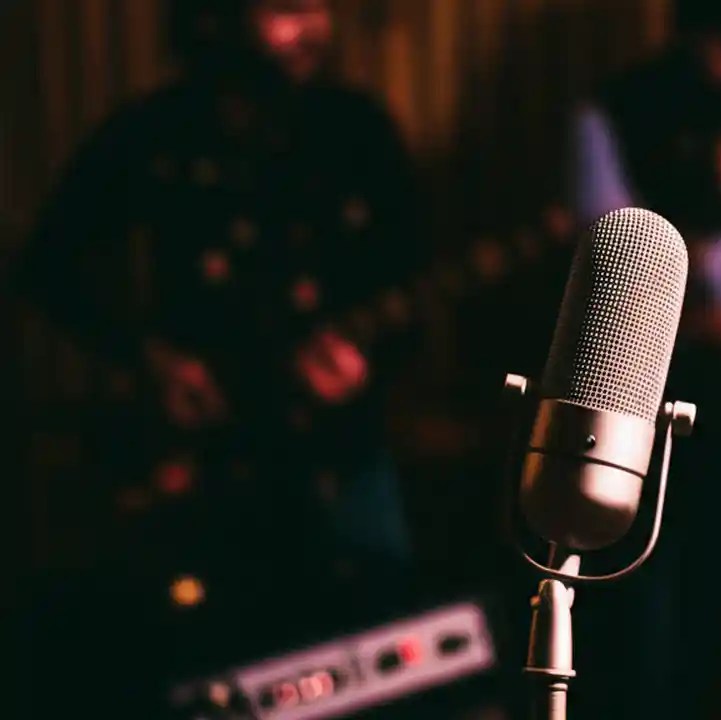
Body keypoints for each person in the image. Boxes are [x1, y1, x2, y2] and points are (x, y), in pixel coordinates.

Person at [18, 0, 422, 712]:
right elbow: (48, 265)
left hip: (341, 457)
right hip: (202, 469)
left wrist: (368, 365)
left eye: (319, 7)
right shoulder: (156, 130)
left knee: (377, 661)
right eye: (286, 9)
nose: (312, 29)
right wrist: (147, 359)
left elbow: (414, 276)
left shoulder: (357, 128)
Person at [566, 1, 721, 717]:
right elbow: (608, 238)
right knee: (633, 586)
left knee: (716, 580)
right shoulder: (612, 111)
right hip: (630, 381)